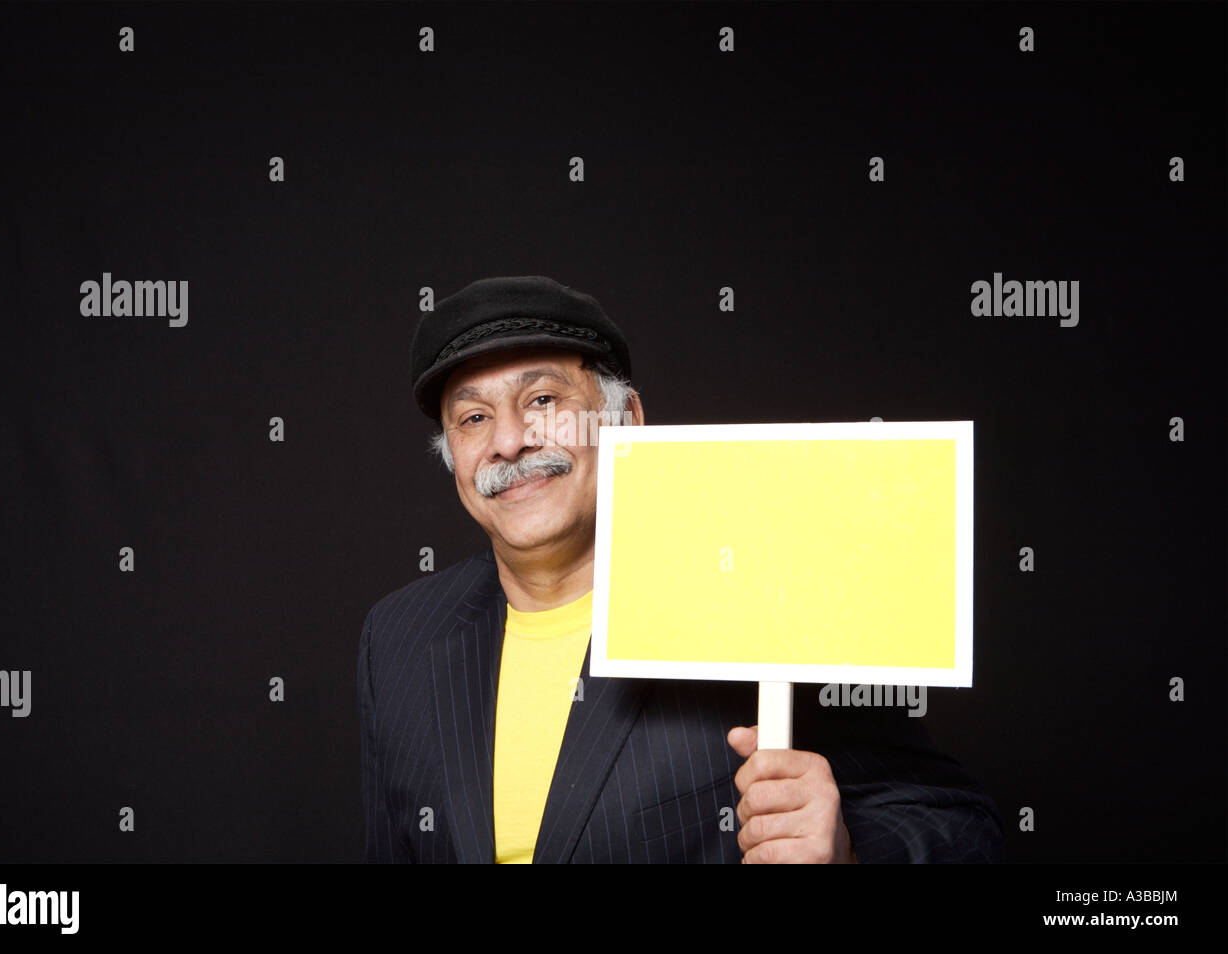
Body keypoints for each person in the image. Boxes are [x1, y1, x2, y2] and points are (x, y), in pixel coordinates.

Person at [357, 275, 1003, 863]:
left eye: (544, 398)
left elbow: (963, 828)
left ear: (627, 421)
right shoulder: (397, 641)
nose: (508, 440)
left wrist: (848, 850)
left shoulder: (760, 597)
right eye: (473, 418)